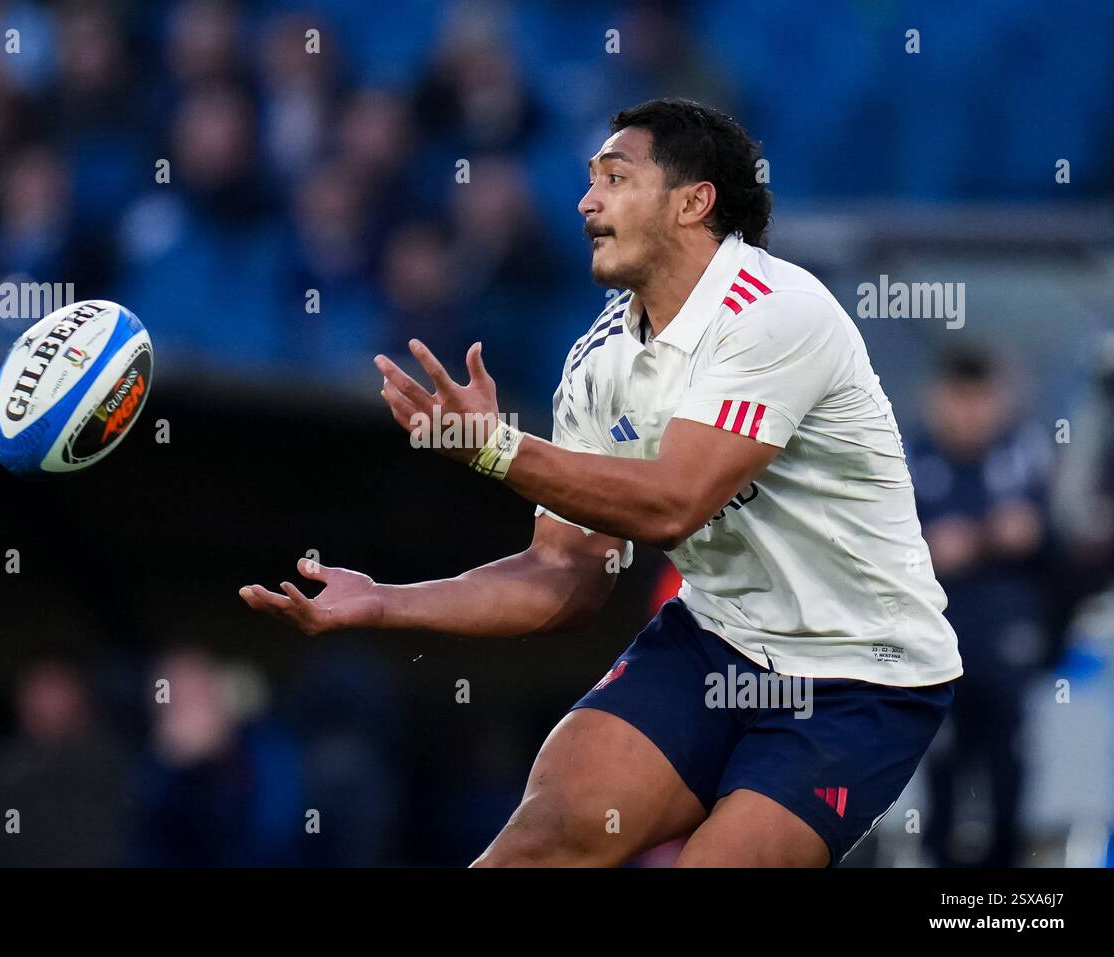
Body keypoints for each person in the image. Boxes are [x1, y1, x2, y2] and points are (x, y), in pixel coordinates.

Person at [241, 98, 962, 868]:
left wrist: (496, 450)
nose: (587, 201)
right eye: (589, 180)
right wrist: (384, 599)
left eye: (615, 178)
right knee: (540, 841)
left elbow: (673, 501)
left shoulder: (779, 313)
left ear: (694, 202)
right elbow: (565, 577)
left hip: (859, 676)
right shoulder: (597, 363)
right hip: (713, 643)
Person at [907, 348, 1052, 866]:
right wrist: (929, 545)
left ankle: (1007, 877)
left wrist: (1015, 536)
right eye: (959, 399)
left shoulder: (1021, 455)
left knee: (1008, 762)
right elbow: (879, 548)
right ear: (936, 399)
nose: (970, 413)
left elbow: (1049, 540)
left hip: (1004, 638)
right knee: (940, 764)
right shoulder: (909, 460)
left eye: (981, 398)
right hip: (934, 642)